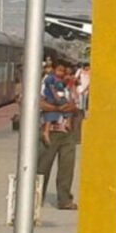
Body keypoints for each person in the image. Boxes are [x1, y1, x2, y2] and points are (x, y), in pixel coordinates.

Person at [37, 58, 78, 210]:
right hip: (51, 130)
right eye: (61, 70)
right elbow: (38, 103)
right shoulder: (46, 83)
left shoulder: (69, 86)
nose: (64, 74)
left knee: (67, 168)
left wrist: (70, 108)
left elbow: (75, 104)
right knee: (43, 167)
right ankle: (36, 198)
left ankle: (65, 199)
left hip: (67, 132)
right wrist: (57, 109)